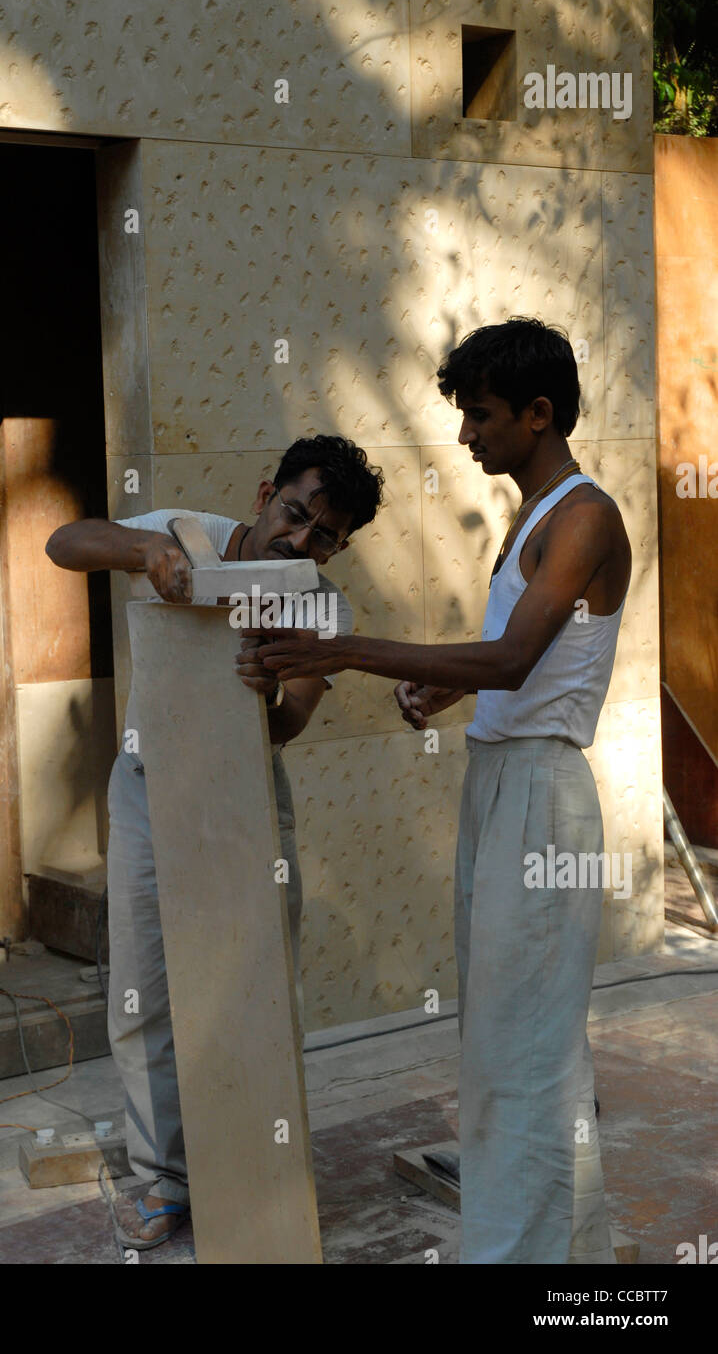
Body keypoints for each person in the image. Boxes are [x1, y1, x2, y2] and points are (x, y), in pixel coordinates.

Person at [253, 318, 632, 1264]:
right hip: (501, 783)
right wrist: (444, 684)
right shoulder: (531, 517)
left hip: (544, 796)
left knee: (526, 1059)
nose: (466, 437)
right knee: (514, 1046)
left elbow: (511, 659)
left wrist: (342, 649)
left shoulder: (585, 515)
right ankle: (575, 1264)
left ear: (540, 415)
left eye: (483, 416)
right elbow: (522, 658)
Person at [45, 435, 383, 1248]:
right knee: (145, 989)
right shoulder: (184, 532)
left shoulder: (315, 601)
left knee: (256, 989)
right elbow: (65, 543)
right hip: (148, 788)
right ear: (266, 491)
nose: (300, 541)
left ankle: (254, 1171)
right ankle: (163, 1183)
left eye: (324, 536)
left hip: (246, 796)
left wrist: (262, 698)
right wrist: (144, 546)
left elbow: (292, 721)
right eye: (295, 514)